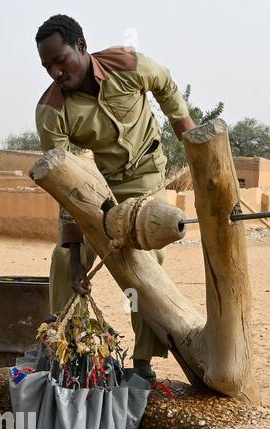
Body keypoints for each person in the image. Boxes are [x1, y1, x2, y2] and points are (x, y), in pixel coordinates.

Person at [34, 14, 195, 381]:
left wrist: (189, 135)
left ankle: (142, 362)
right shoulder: (51, 111)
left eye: (60, 60)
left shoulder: (127, 64)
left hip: (146, 177)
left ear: (81, 46)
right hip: (98, 188)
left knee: (146, 258)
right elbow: (65, 183)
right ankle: (68, 355)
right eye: (47, 66)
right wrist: (76, 256)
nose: (55, 72)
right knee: (62, 259)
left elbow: (166, 84)